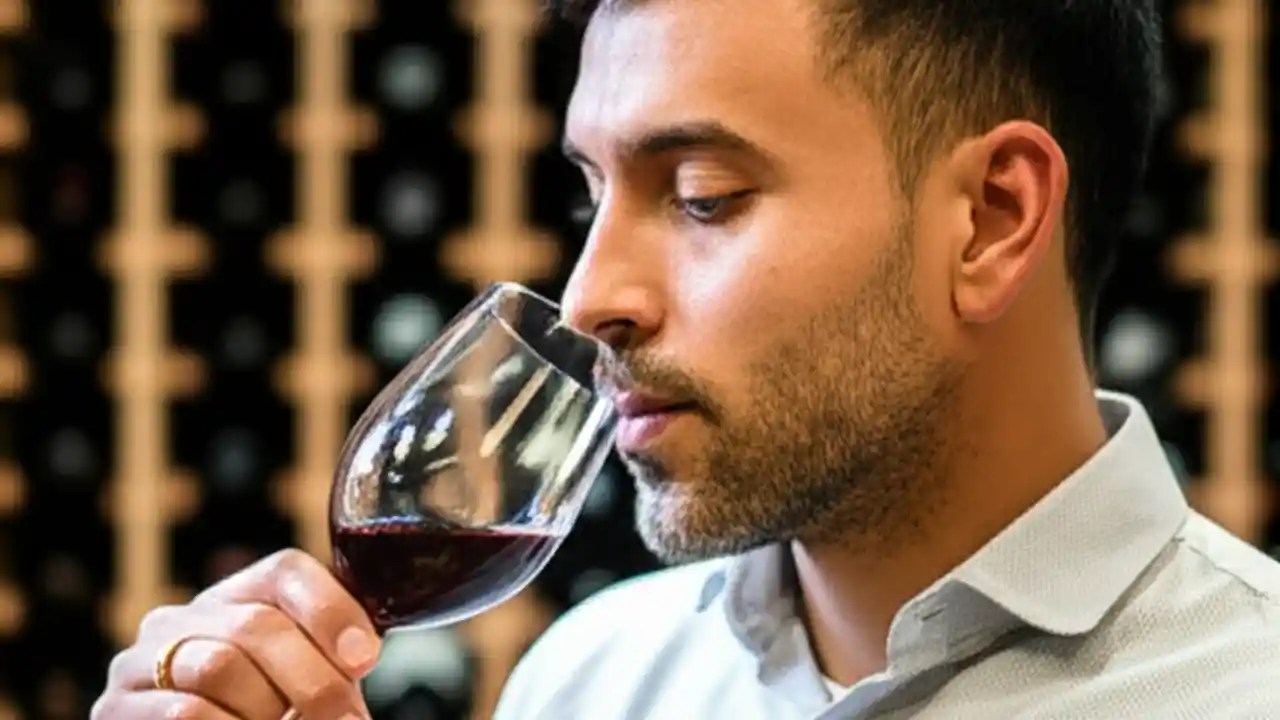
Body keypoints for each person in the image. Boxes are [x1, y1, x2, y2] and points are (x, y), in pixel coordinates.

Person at [93, 0, 1280, 718]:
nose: (592, 297)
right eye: (591, 195)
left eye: (703, 198)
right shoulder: (594, 679)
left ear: (990, 218)